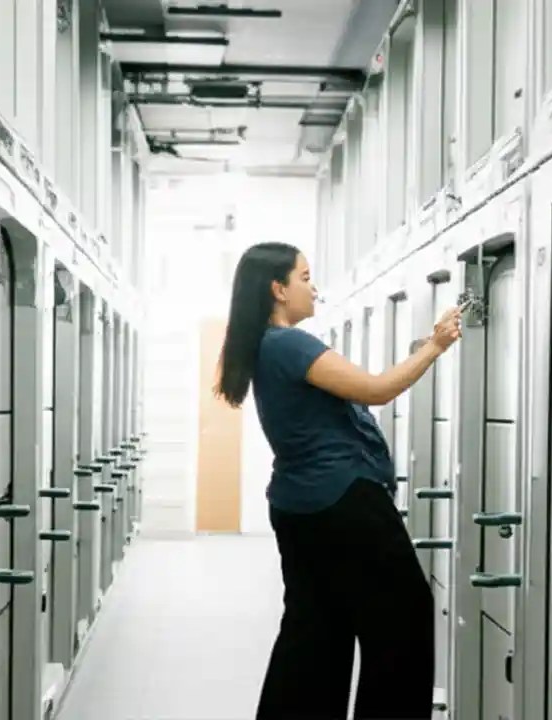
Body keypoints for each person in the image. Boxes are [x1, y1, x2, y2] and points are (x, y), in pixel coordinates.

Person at [214, 242, 463, 720]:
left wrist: (417, 353)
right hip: (345, 502)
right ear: (278, 289)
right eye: (305, 278)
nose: (314, 287)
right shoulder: (291, 343)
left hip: (299, 504)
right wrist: (436, 346)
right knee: (402, 622)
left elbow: (354, 390)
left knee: (317, 631)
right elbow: (377, 389)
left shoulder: (264, 345)